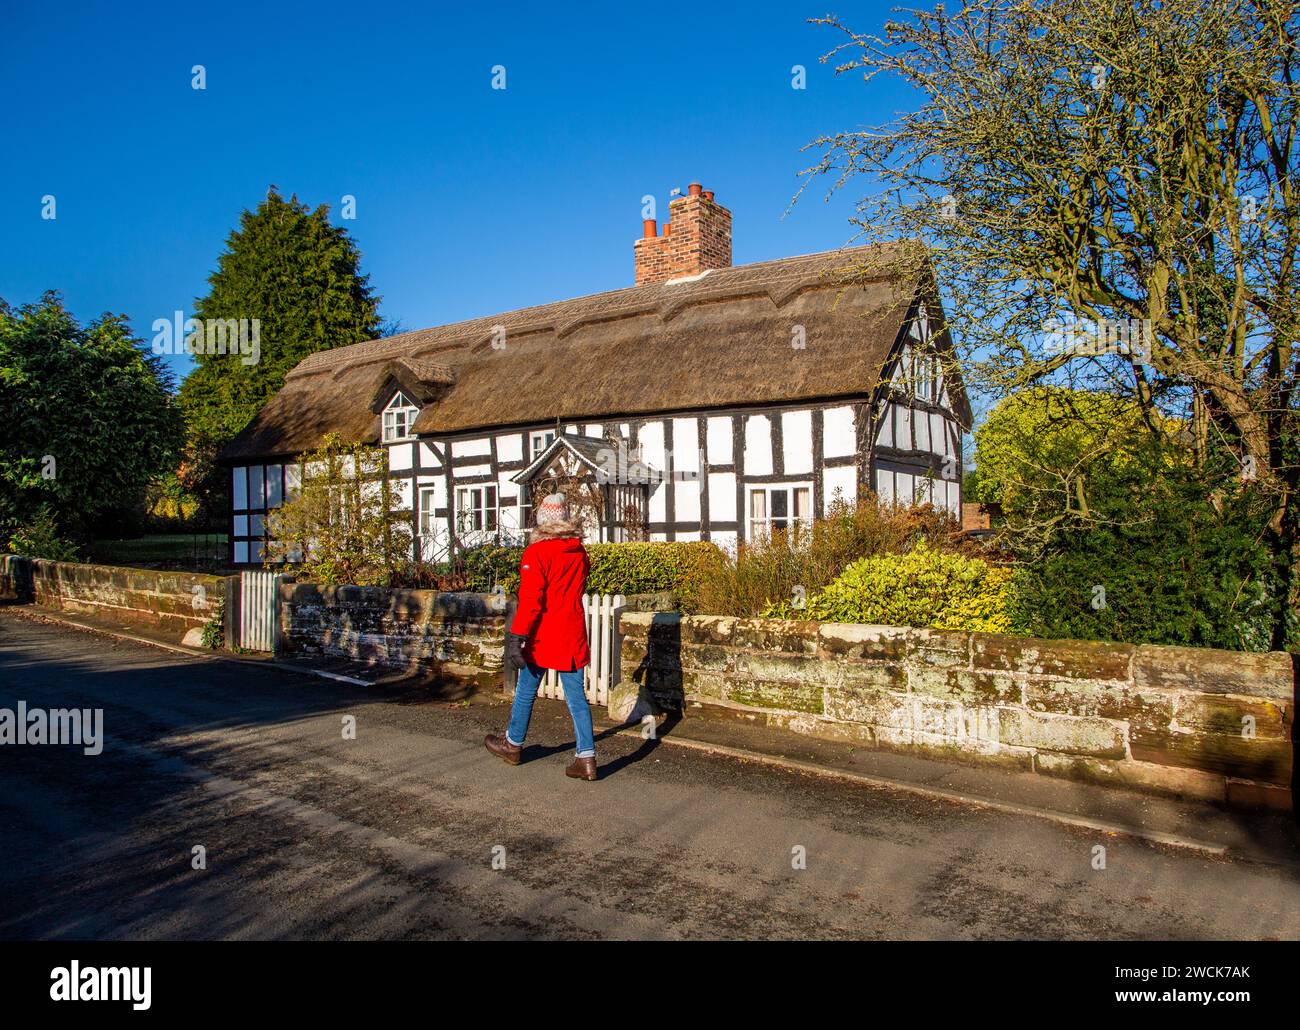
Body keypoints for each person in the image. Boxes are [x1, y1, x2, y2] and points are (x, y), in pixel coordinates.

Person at [485, 493, 597, 781]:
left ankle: (513, 744)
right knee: (576, 698)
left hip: (543, 635)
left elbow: (531, 600)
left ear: (542, 520)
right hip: (571, 631)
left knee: (525, 691)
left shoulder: (537, 553)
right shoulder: (579, 552)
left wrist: (516, 635)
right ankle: (586, 758)